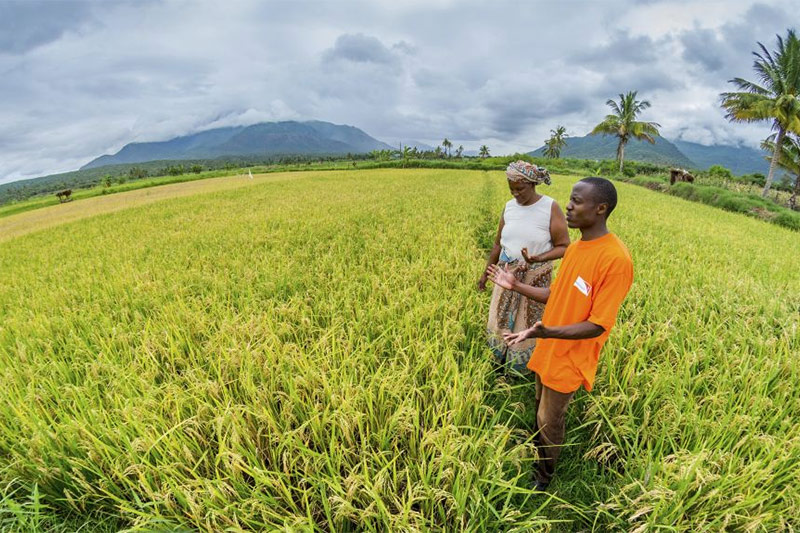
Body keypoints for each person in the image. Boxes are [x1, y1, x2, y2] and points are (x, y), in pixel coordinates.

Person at [487, 176, 633, 491]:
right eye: (570, 198)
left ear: (600, 208)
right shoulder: (578, 247)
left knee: (550, 419)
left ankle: (544, 476)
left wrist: (548, 331)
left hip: (570, 354)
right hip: (548, 343)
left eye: (577, 201)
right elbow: (557, 294)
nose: (568, 205)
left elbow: (598, 324)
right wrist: (516, 286)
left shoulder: (616, 259)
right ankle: (537, 448)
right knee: (539, 404)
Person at [479, 160, 570, 374]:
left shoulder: (549, 207)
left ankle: (520, 368)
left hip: (534, 278)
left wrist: (537, 258)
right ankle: (498, 359)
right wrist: (485, 273)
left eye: (520, 189)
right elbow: (497, 243)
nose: (515, 194)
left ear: (532, 184)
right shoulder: (509, 207)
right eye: (511, 189)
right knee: (501, 317)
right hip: (505, 274)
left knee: (525, 321)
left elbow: (564, 246)